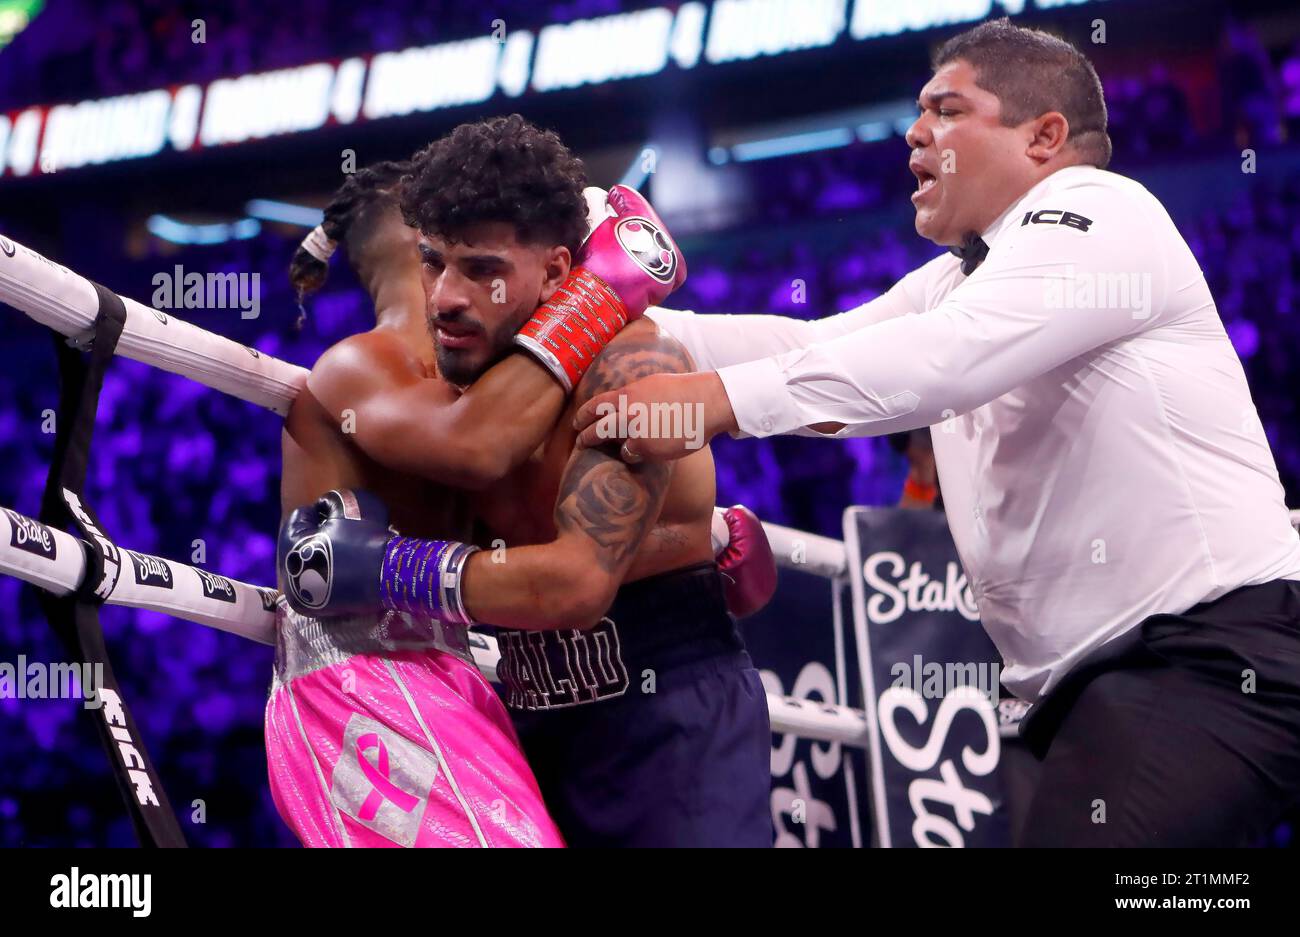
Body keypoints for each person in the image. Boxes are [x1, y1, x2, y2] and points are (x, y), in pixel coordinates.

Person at [572, 18, 1300, 846]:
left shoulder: (1102, 213)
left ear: (1044, 136)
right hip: (1077, 687)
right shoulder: (967, 273)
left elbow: (935, 364)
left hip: (1205, 653)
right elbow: (817, 345)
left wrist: (700, 401)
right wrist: (627, 315)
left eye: (947, 110)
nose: (915, 132)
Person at [281, 115, 776, 847]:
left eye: (482, 269)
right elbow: (476, 448)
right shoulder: (457, 388)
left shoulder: (631, 364)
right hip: (525, 712)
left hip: (666, 716)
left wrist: (387, 567)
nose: (446, 296)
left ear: (555, 272)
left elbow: (574, 584)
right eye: (433, 261)